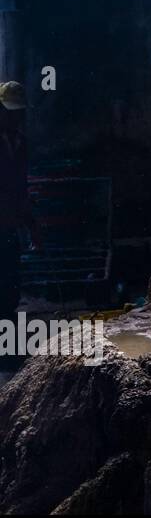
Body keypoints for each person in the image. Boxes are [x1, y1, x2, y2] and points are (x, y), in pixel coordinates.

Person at [0, 81, 38, 366]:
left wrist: (31, 222)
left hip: (9, 223)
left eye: (17, 113)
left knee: (11, 281)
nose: (13, 117)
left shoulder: (21, 142)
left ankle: (8, 350)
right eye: (8, 112)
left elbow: (20, 187)